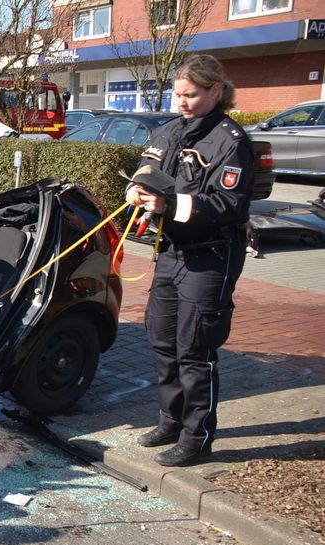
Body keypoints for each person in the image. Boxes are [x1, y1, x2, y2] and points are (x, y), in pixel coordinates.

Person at [128, 54, 255, 467]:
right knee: (163, 341)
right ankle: (171, 420)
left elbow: (226, 204)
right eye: (178, 94)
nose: (182, 102)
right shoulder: (169, 131)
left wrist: (167, 205)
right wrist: (137, 189)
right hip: (171, 253)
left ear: (216, 91)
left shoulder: (230, 141)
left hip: (211, 256)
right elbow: (148, 169)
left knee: (194, 350)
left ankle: (197, 437)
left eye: (191, 95)